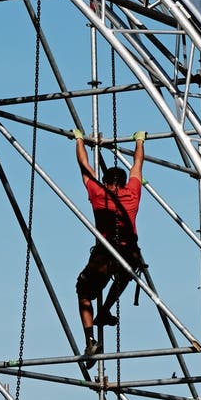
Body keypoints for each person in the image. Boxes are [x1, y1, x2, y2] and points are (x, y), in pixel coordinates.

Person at [73, 128, 147, 367]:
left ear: (105, 181)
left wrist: (79, 140)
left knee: (84, 291)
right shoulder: (132, 193)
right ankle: (104, 310)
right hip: (129, 253)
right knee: (125, 274)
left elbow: (84, 166)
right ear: (124, 182)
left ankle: (90, 339)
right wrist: (139, 141)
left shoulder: (98, 192)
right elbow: (138, 163)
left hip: (105, 252)